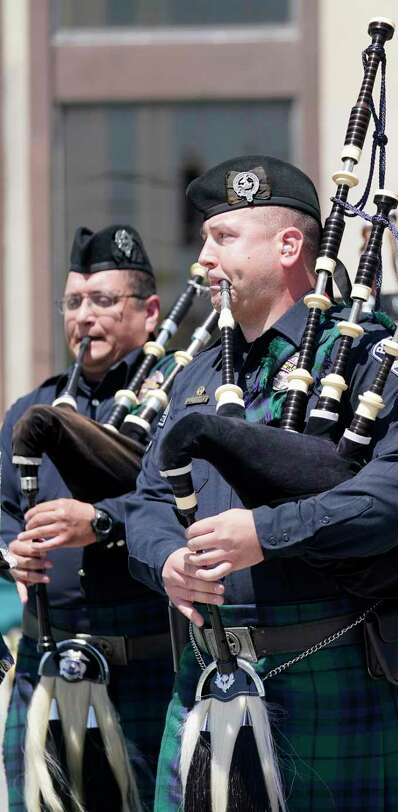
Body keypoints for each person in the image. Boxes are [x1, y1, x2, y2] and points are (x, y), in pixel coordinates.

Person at [125, 154, 398, 810]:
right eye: (204, 240)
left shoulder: (367, 356)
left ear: (288, 246)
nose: (203, 259)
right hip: (205, 682)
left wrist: (267, 533)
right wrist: (165, 558)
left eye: (223, 238)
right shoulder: (192, 375)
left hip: (334, 673)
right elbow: (146, 501)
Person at [0, 224, 173, 806]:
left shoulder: (179, 401)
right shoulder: (33, 408)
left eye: (103, 300)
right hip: (44, 664)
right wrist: (11, 553)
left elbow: (180, 504)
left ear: (150, 312)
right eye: (74, 302)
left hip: (149, 664)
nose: (84, 317)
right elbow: (0, 510)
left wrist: (100, 521)